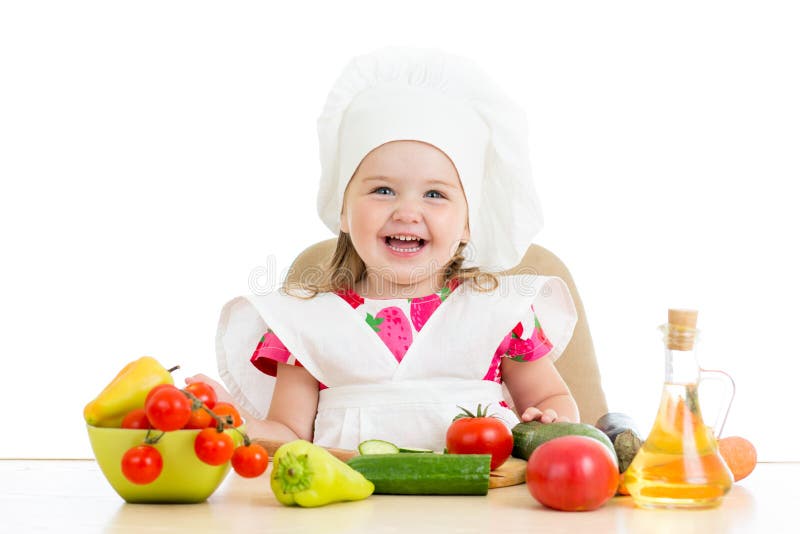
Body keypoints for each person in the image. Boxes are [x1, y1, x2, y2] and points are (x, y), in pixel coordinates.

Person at [189, 46, 580, 452]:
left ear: (468, 223)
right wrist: (231, 418)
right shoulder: (304, 324)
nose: (407, 211)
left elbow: (549, 398)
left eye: (434, 193)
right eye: (382, 190)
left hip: (480, 512)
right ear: (343, 208)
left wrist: (551, 417)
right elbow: (288, 435)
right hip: (346, 511)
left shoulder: (500, 312)